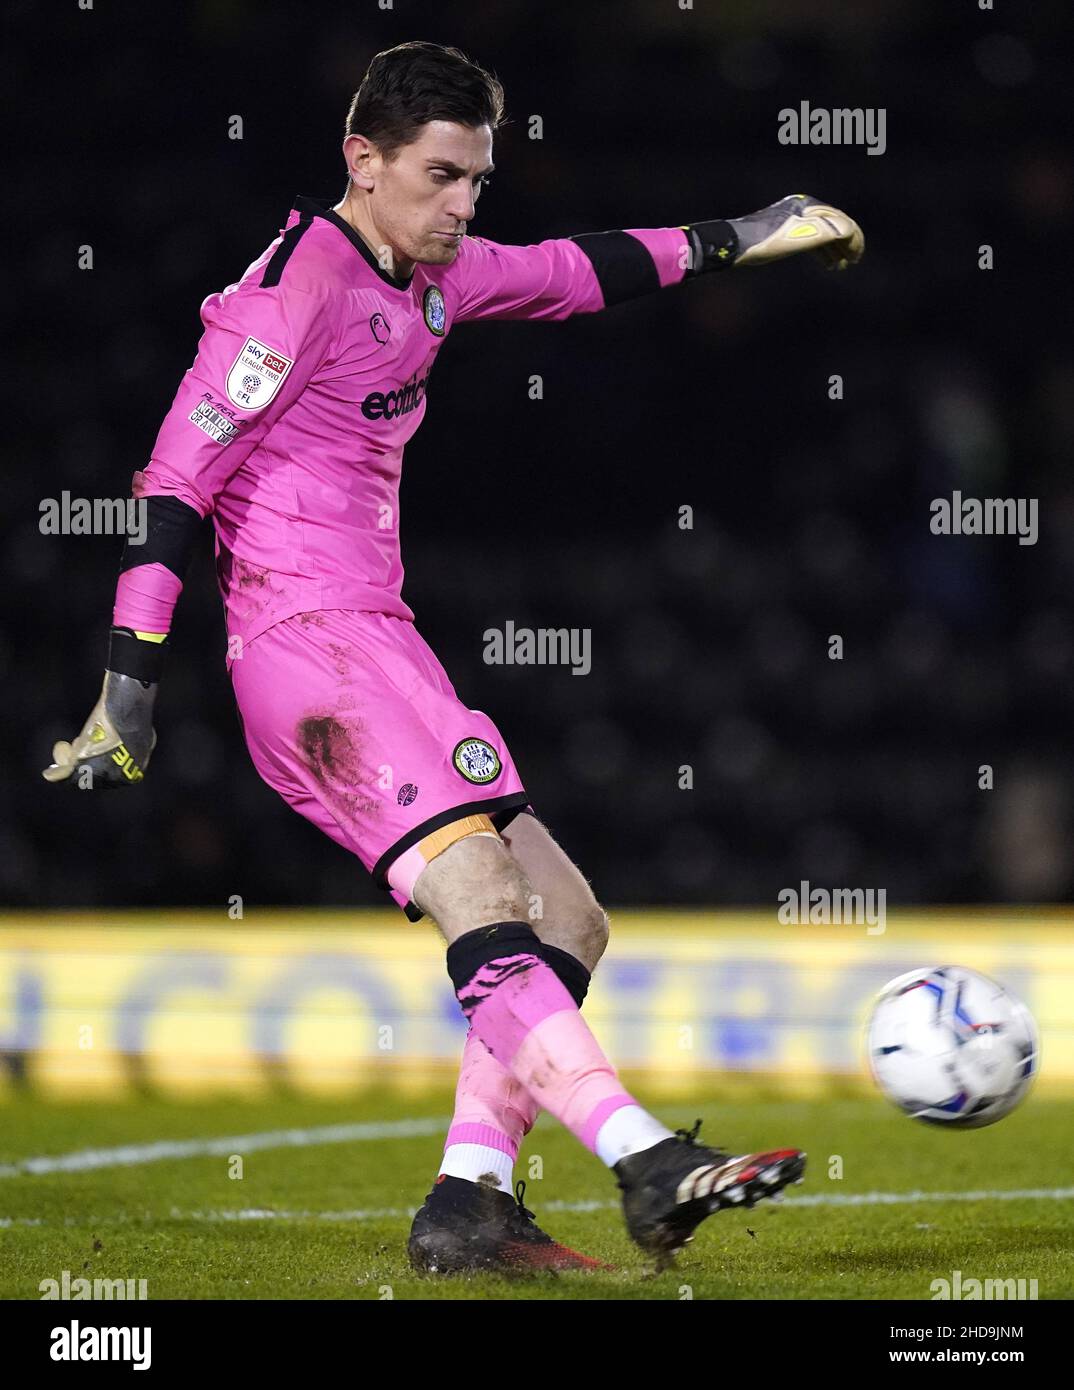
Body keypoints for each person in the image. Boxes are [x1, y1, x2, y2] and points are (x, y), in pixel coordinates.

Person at [44, 40, 863, 1273]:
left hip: (387, 644)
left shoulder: (433, 271)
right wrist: (128, 681)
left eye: (477, 178)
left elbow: (575, 271)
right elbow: (173, 485)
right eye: (441, 176)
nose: (466, 203)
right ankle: (646, 1159)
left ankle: (469, 1202)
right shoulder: (291, 292)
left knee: (569, 916)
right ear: (360, 162)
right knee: (481, 895)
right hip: (302, 651)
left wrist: (746, 231)